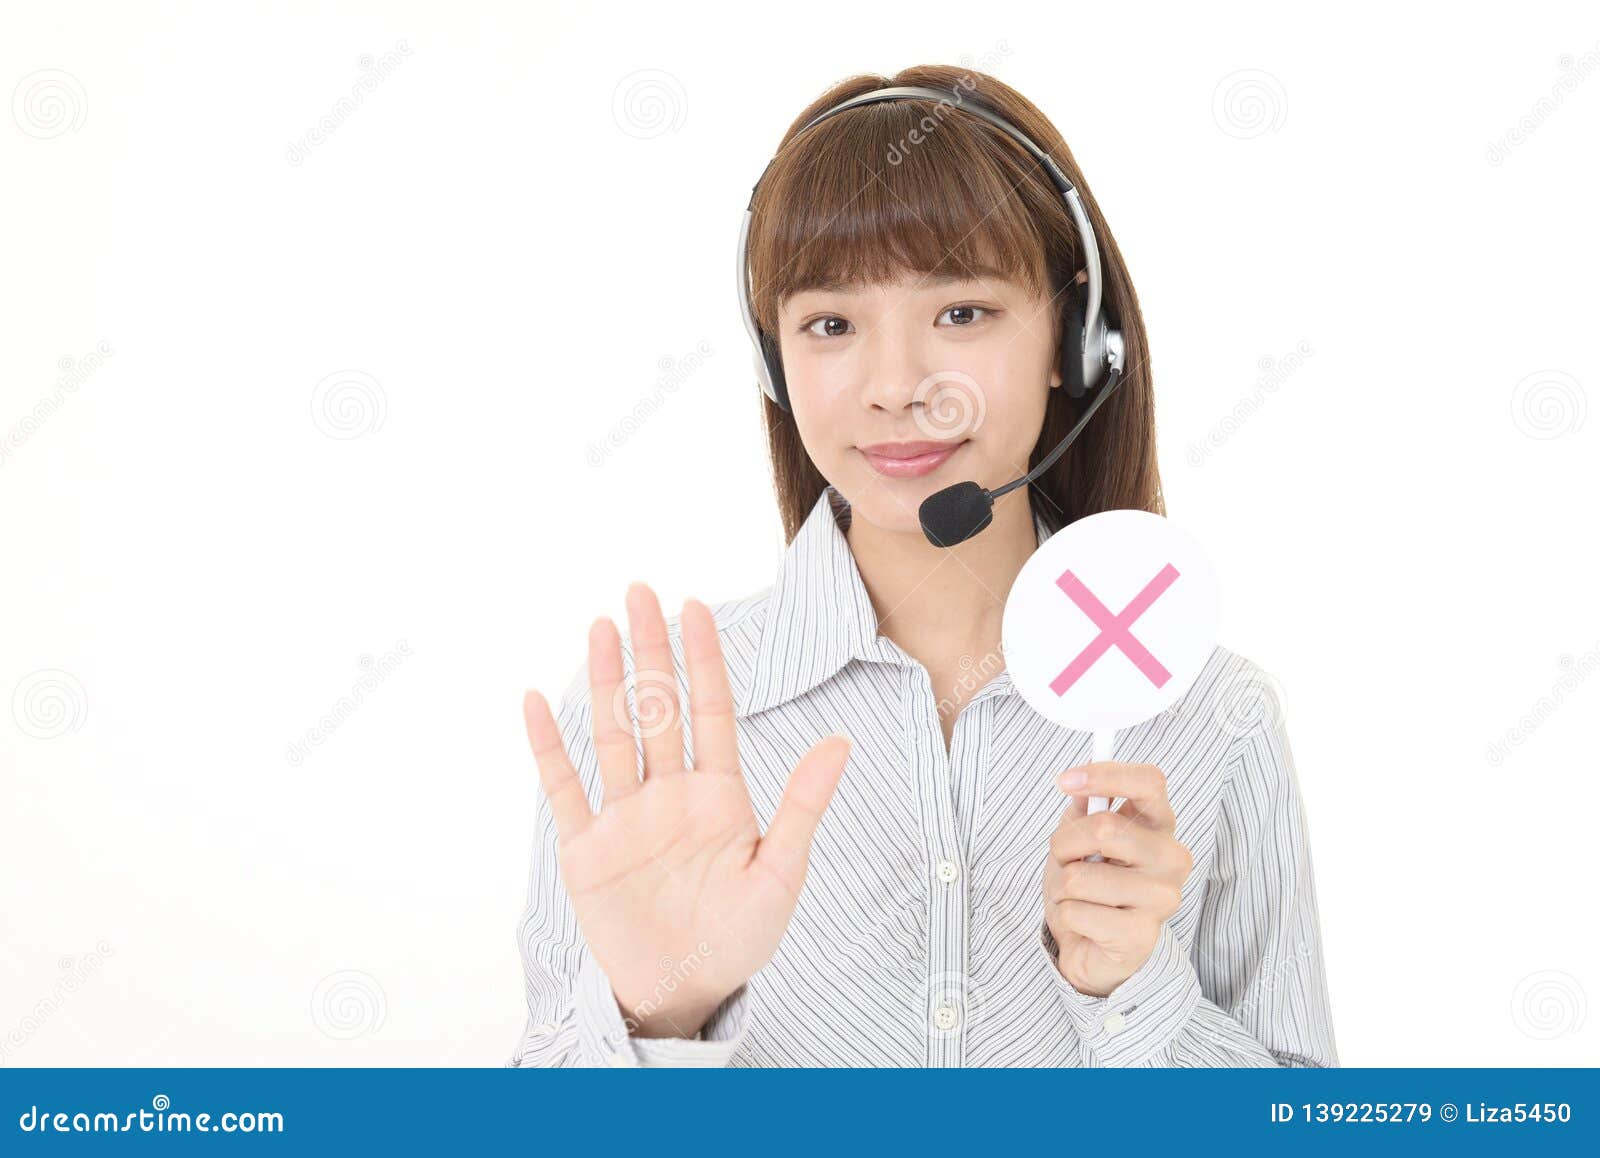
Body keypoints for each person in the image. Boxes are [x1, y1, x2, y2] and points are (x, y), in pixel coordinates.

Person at [508, 64, 1338, 1067]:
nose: (896, 387)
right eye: (830, 325)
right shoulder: (654, 723)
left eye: (960, 313)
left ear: (1072, 342)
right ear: (776, 362)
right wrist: (657, 1011)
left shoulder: (1212, 711)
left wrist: (1129, 988)